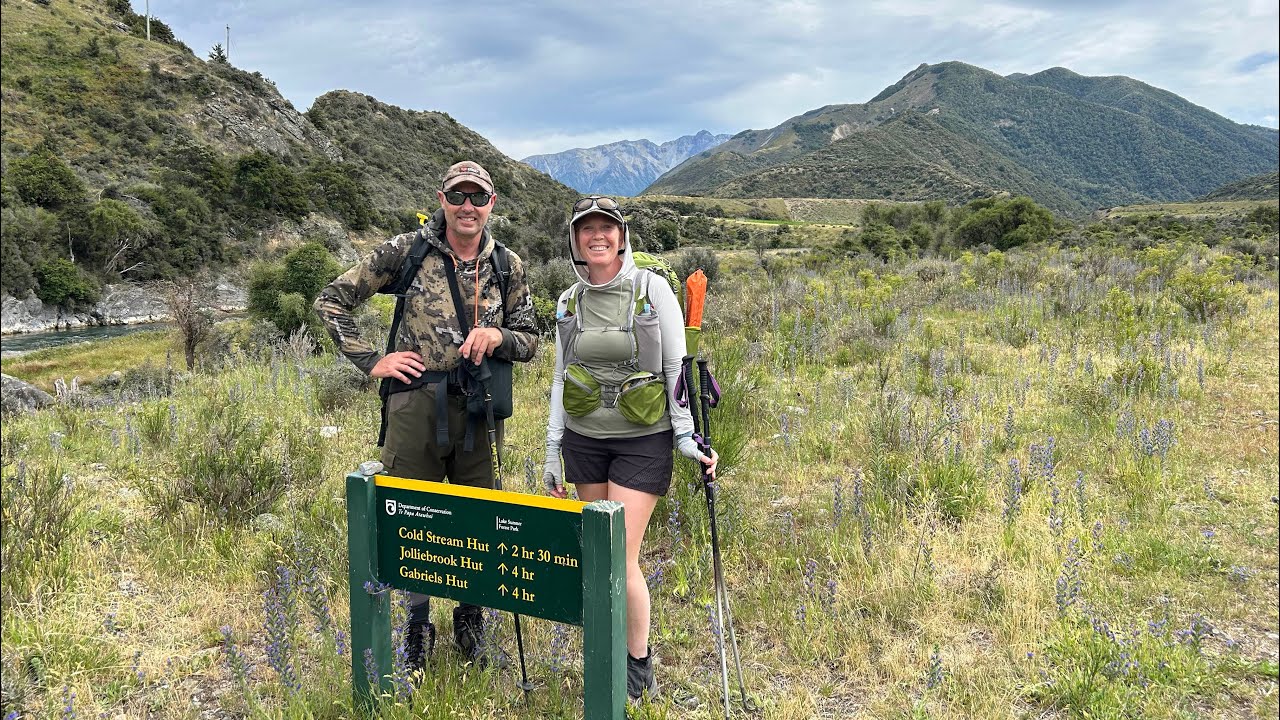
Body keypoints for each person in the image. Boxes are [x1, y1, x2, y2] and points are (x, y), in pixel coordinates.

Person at [315, 160, 539, 674]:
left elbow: (530, 338)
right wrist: (372, 361)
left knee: (480, 515)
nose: (467, 206)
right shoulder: (407, 251)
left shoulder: (507, 264)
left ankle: (470, 619)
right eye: (457, 196)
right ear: (442, 200)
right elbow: (332, 300)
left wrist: (499, 336)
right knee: (411, 515)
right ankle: (417, 626)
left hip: (480, 408)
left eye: (477, 197)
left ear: (491, 203)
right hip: (415, 403)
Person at [541, 196, 717, 703]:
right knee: (597, 556)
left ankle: (637, 666)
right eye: (586, 228)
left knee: (620, 555)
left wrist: (684, 436)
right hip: (584, 441)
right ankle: (605, 653)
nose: (597, 236)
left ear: (621, 237)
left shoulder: (652, 289)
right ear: (574, 240)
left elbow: (675, 368)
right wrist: (553, 449)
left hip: (643, 440)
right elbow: (560, 378)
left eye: (607, 227)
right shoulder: (568, 301)